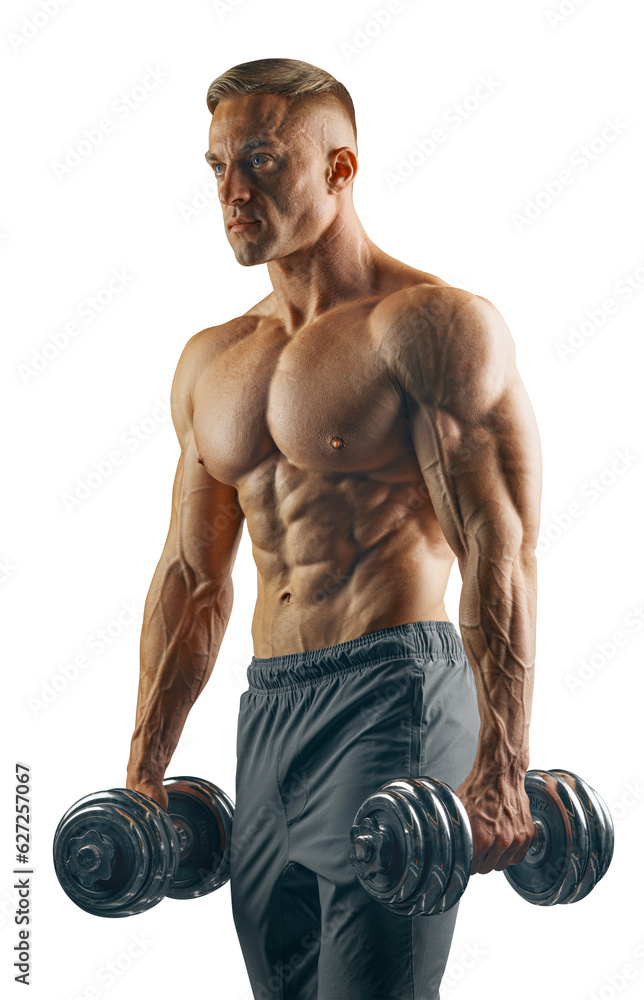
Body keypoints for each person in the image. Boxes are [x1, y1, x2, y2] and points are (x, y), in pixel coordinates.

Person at [126, 57, 541, 1000]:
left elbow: (498, 549)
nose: (233, 191)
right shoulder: (213, 359)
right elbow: (192, 577)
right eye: (219, 167)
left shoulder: (431, 326)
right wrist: (145, 771)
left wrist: (502, 764)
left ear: (340, 168)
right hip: (266, 707)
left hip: (392, 694)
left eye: (262, 162)